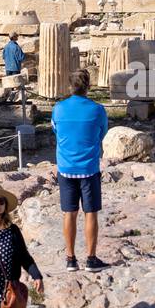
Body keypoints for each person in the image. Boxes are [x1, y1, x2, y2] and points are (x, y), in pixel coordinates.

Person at [51, 68, 108, 272]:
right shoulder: (98, 109)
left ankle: (70, 259)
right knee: (90, 213)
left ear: (70, 86)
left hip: (66, 167)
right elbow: (102, 133)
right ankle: (91, 259)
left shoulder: (58, 109)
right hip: (89, 167)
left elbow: (56, 131)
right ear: (88, 87)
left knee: (69, 213)